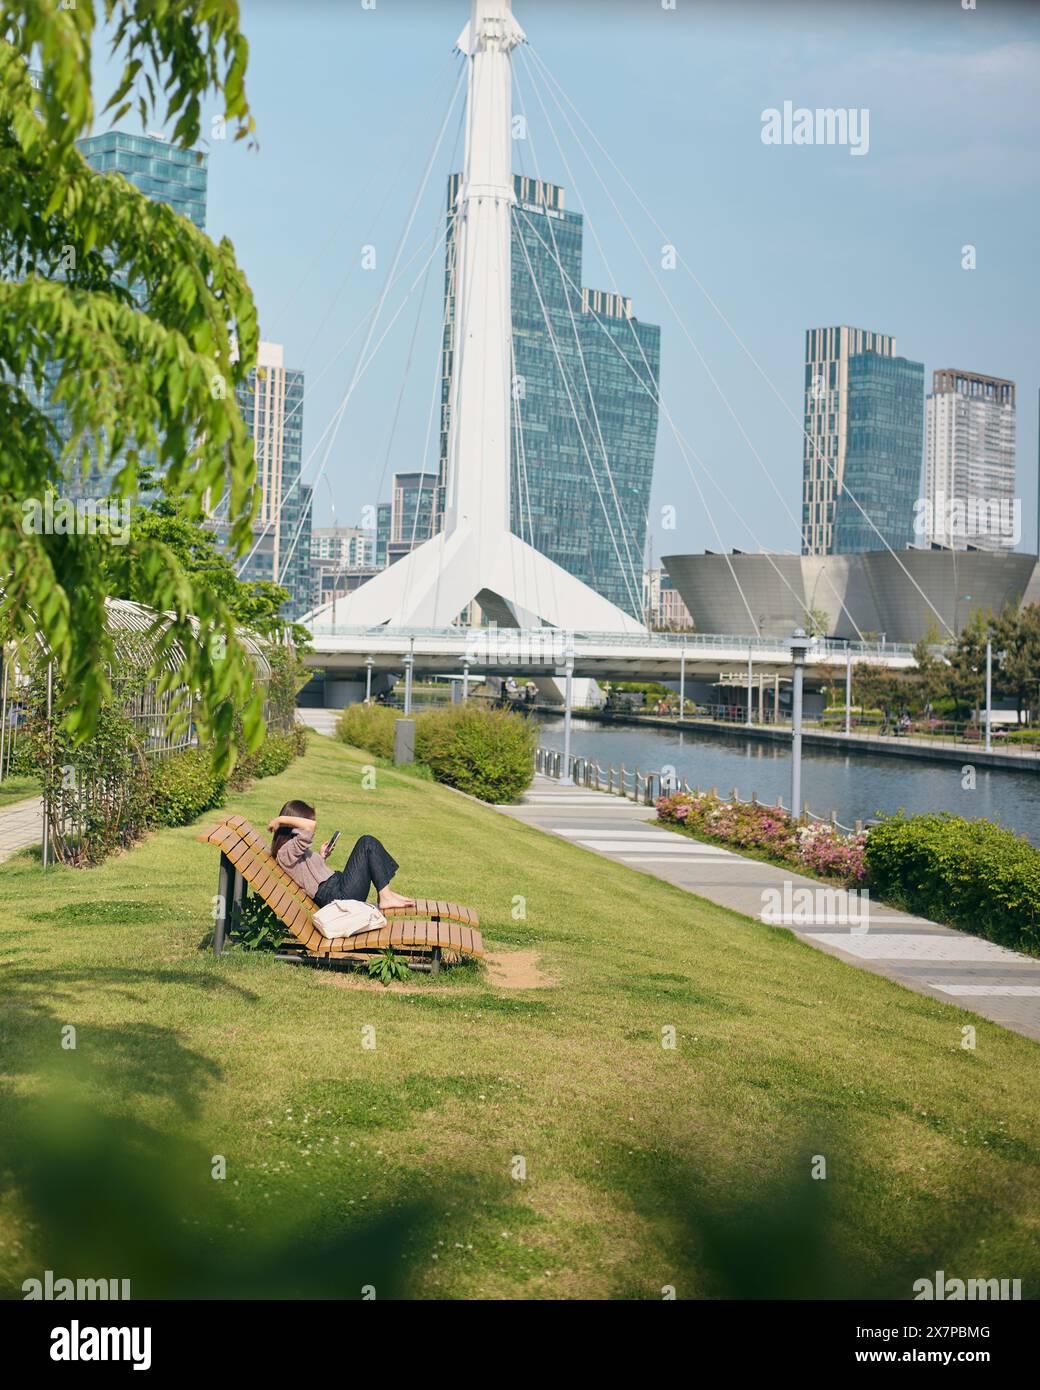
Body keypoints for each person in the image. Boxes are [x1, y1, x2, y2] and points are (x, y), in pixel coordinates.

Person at [268, 799, 414, 911]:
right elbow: (310, 826)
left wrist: (322, 856)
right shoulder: (285, 852)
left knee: (368, 843)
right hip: (338, 896)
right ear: (292, 826)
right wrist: (279, 820)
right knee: (367, 843)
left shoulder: (289, 851)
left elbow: (305, 873)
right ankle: (385, 896)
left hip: (338, 888)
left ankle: (386, 894)